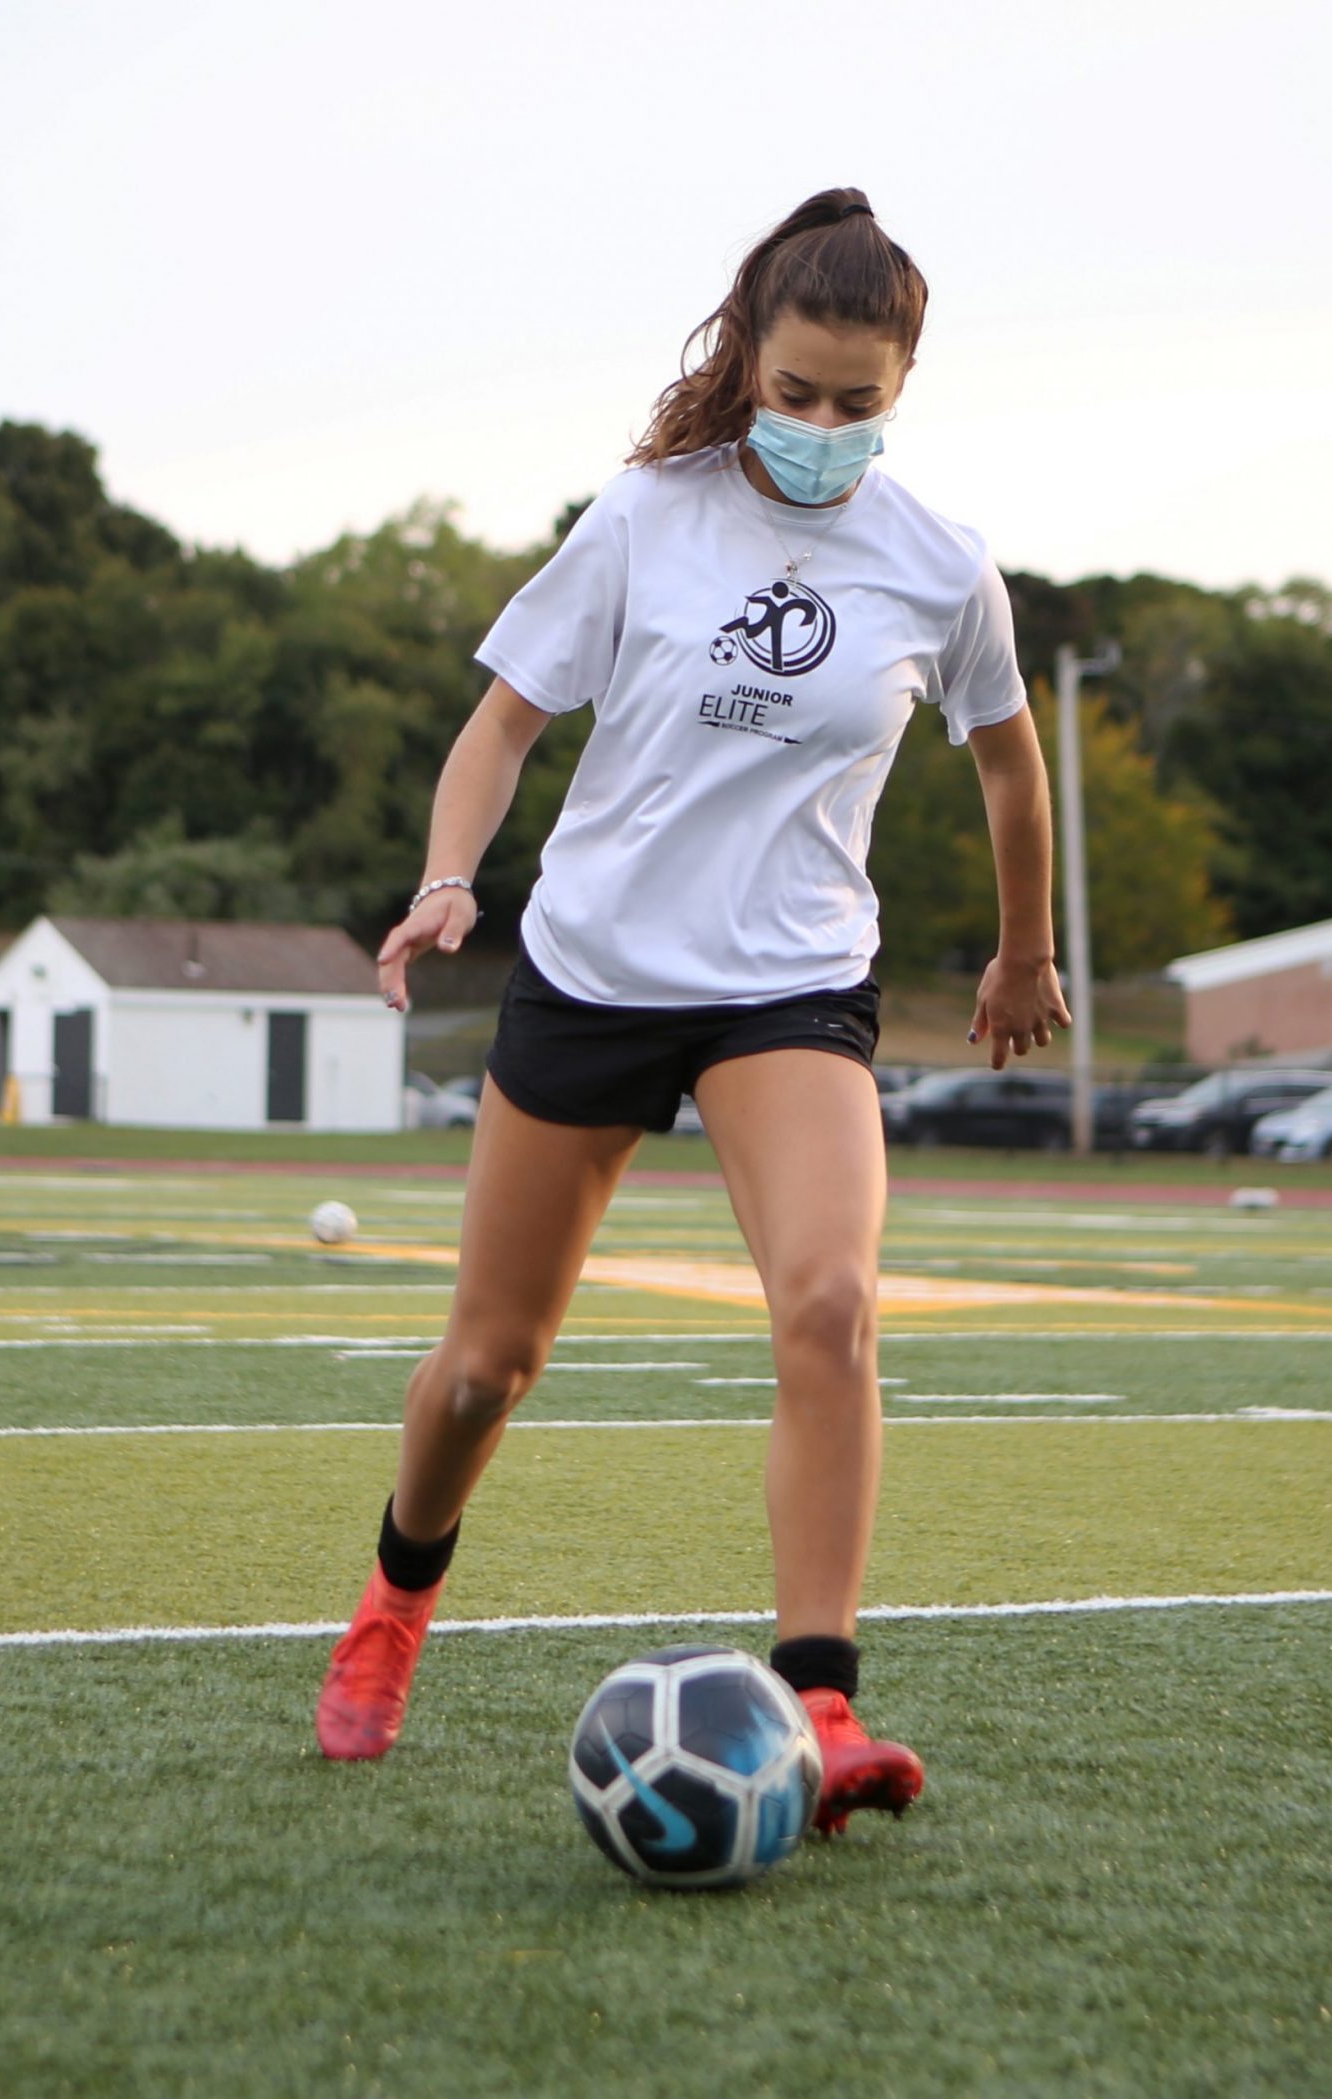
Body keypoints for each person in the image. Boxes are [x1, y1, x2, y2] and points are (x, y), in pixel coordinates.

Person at [315, 185, 1070, 1834]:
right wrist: (453, 876)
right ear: (749, 363)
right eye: (793, 393)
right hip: (591, 974)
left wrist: (1023, 951)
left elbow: (1011, 767)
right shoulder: (647, 514)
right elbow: (503, 722)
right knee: (487, 1367)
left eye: (854, 404)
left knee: (830, 1307)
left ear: (902, 386)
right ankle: (393, 1604)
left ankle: (822, 1701)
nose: (817, 427)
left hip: (789, 986)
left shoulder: (941, 567)